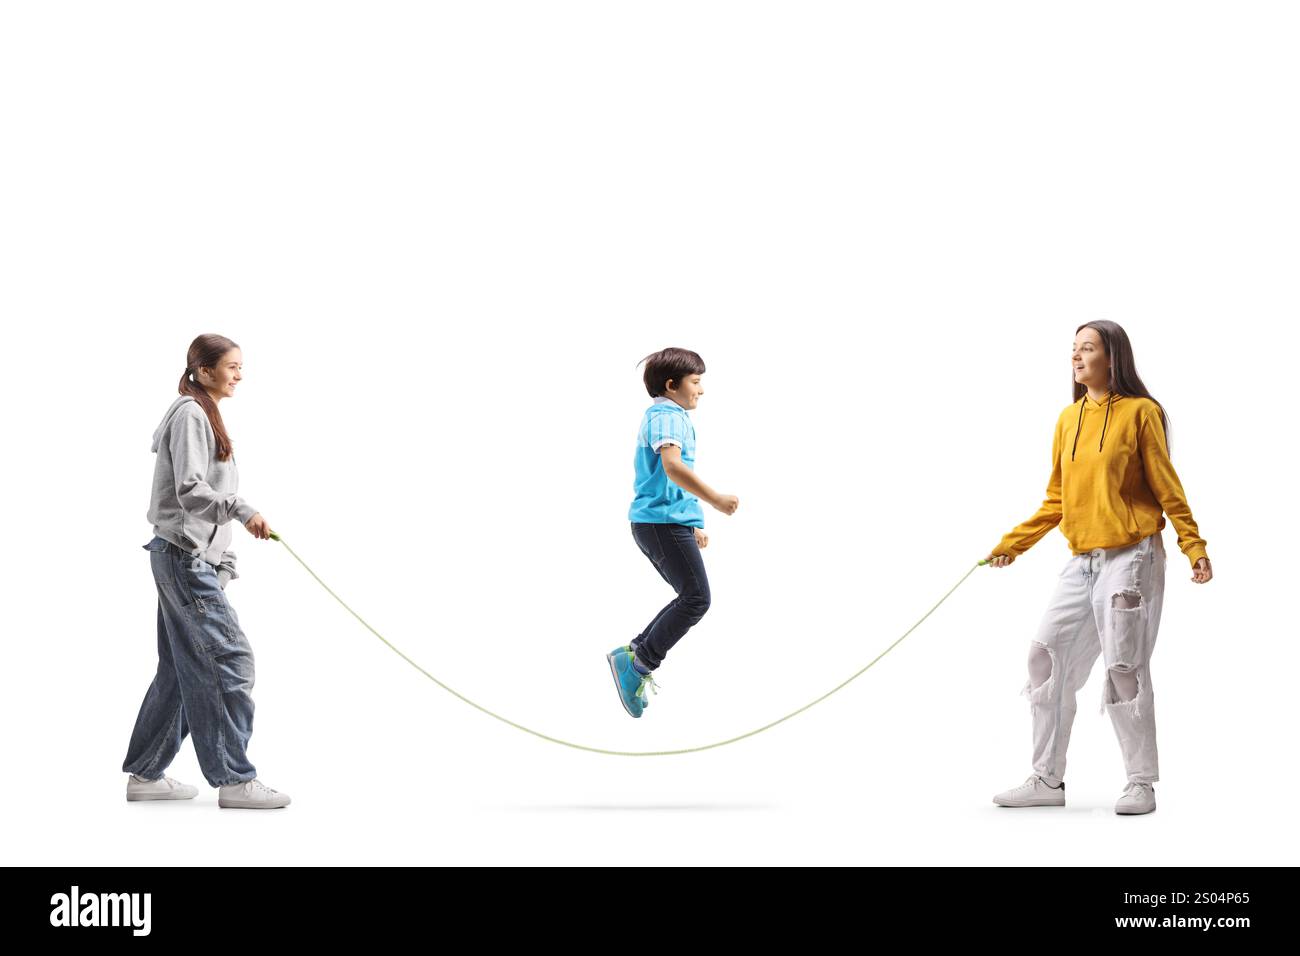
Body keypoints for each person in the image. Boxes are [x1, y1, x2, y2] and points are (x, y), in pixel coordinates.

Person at [987, 321, 1212, 815]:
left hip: (1133, 555)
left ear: (1113, 358)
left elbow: (1166, 486)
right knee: (1044, 657)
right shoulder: (1068, 419)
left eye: (1087, 347)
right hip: (1082, 559)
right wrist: (1014, 544)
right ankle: (1047, 778)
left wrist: (1193, 545)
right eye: (1073, 348)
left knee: (1123, 667)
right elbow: (1057, 499)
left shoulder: (1141, 413)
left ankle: (1141, 782)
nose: (1076, 355)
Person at [122, 334, 291, 809]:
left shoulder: (205, 415)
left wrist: (225, 561)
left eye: (241, 367)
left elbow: (199, 500)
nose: (239, 374)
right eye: (232, 366)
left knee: (181, 669)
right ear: (202, 369)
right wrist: (242, 509)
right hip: (181, 557)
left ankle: (145, 774)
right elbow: (191, 491)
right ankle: (235, 780)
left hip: (188, 558)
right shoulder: (191, 415)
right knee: (228, 661)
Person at [608, 347, 740, 717]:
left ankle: (634, 654)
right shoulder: (667, 416)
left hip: (667, 521)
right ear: (671, 385)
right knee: (696, 598)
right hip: (658, 522)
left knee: (691, 596)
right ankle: (637, 665)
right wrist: (714, 499)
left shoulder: (671, 415)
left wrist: (693, 521)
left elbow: (671, 480)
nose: (701, 390)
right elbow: (672, 468)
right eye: (695, 382)